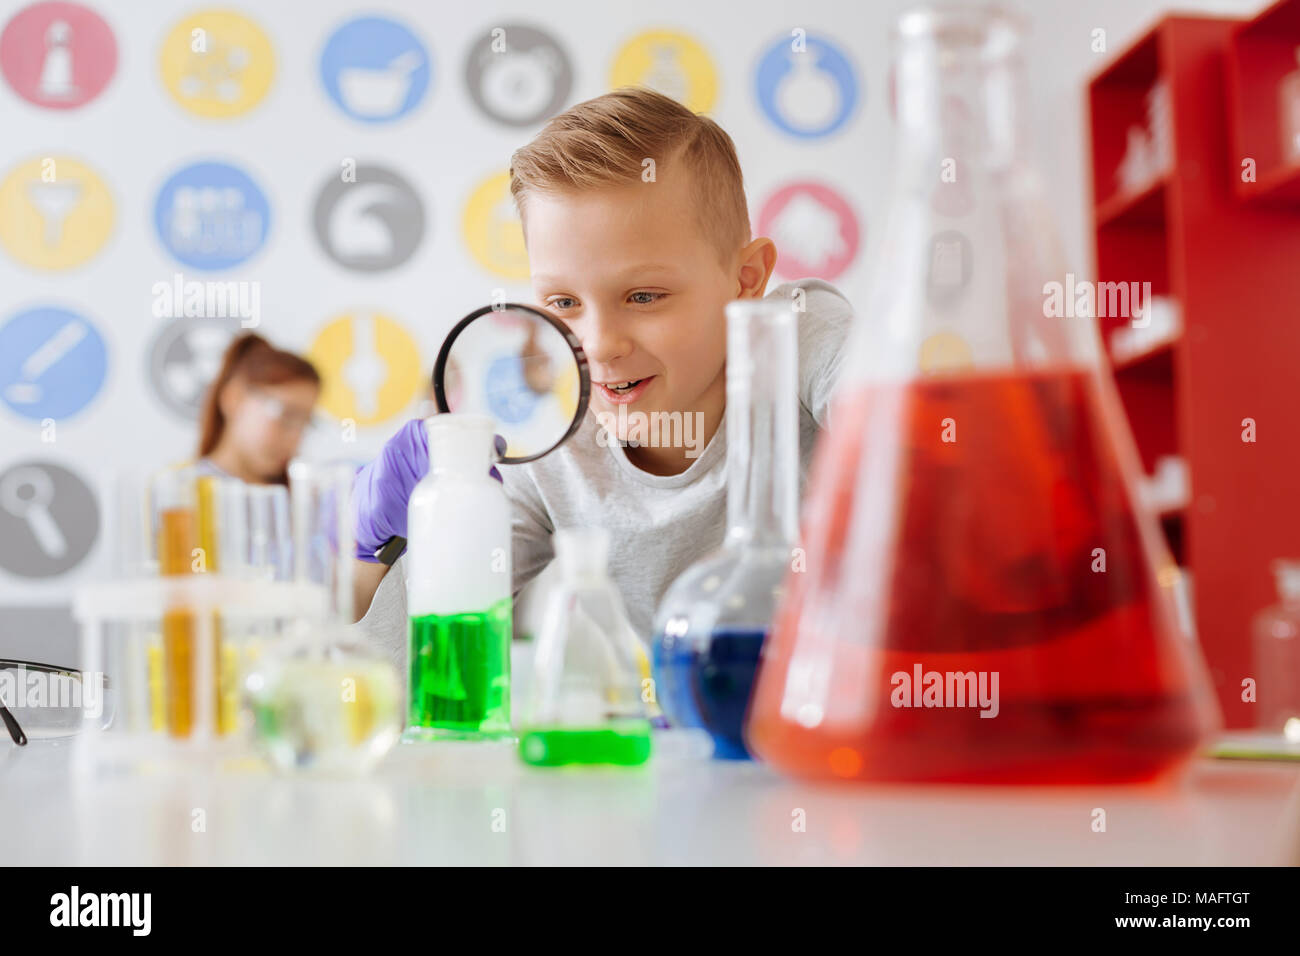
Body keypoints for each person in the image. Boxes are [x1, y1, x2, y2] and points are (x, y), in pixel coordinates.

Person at [350, 87, 853, 649]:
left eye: (644, 296)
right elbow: (421, 657)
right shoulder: (551, 449)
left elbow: (902, 432)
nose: (600, 345)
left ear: (746, 281)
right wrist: (372, 551)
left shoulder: (797, 336)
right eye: (564, 302)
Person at [195, 333, 321, 485]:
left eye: (304, 423)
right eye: (288, 416)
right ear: (234, 398)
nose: (295, 438)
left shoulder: (300, 493)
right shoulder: (186, 493)